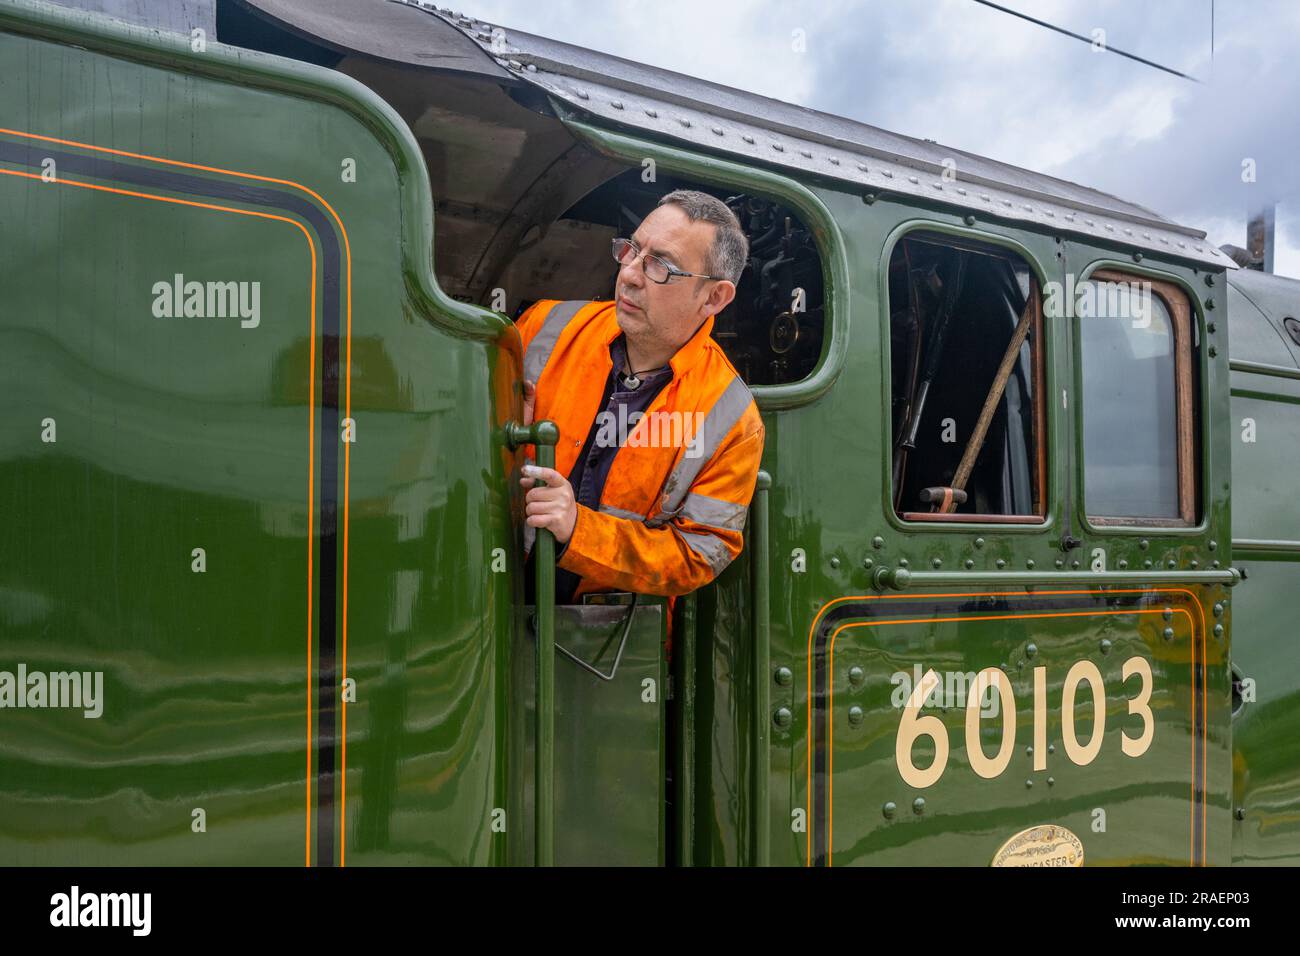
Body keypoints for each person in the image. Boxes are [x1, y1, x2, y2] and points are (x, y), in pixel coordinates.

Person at [517, 189, 764, 608]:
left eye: (660, 266)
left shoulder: (733, 418)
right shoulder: (545, 325)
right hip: (483, 600)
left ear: (714, 297)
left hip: (603, 649)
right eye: (631, 250)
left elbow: (699, 553)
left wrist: (579, 529)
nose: (630, 274)